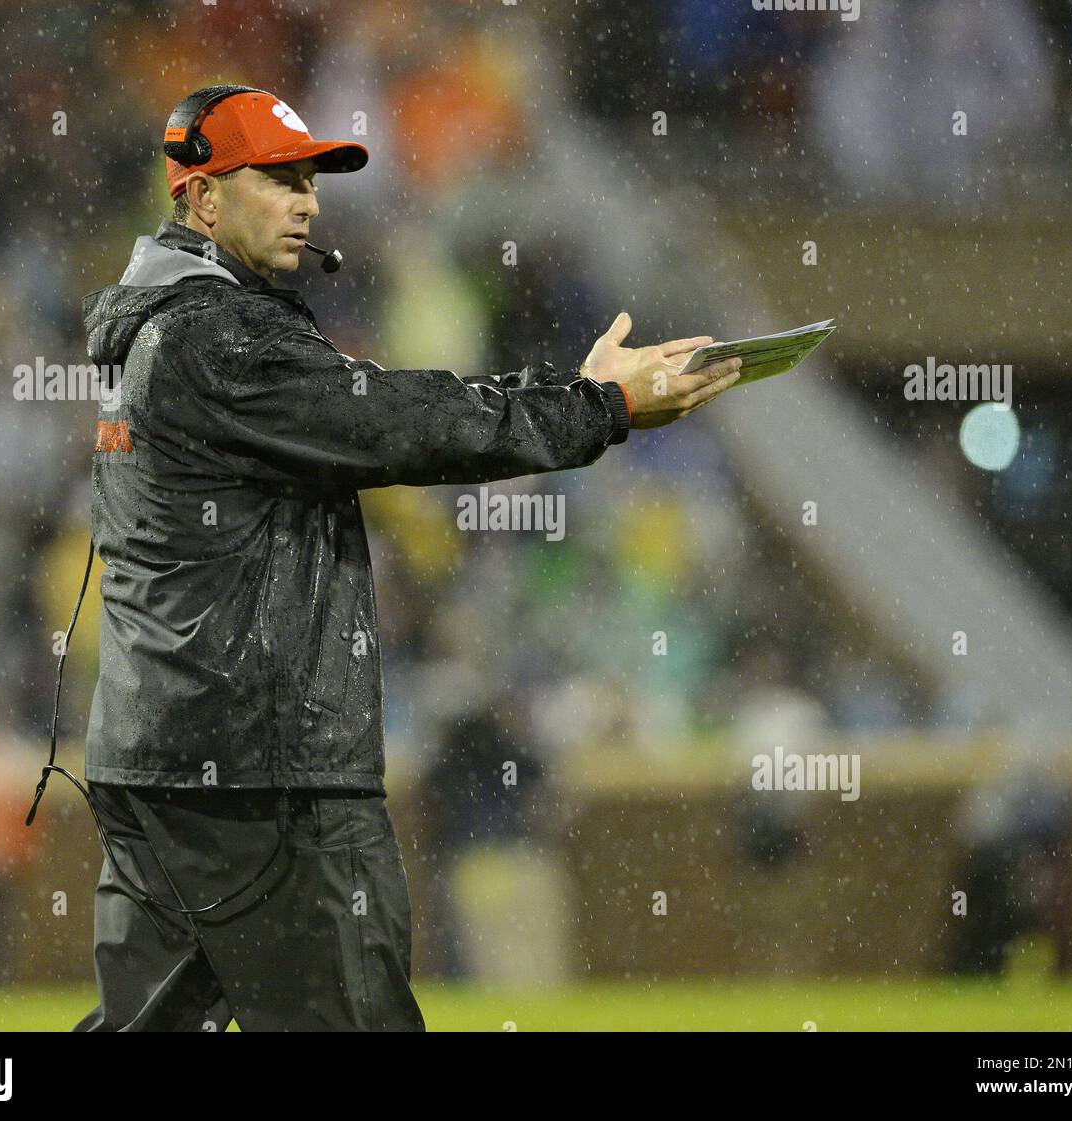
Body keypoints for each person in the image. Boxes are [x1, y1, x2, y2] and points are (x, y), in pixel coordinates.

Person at [72, 84, 741, 1032]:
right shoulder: (217, 334)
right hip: (266, 774)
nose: (308, 200)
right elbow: (399, 421)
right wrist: (600, 407)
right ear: (204, 199)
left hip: (163, 761)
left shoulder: (163, 328)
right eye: (278, 178)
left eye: (311, 179)